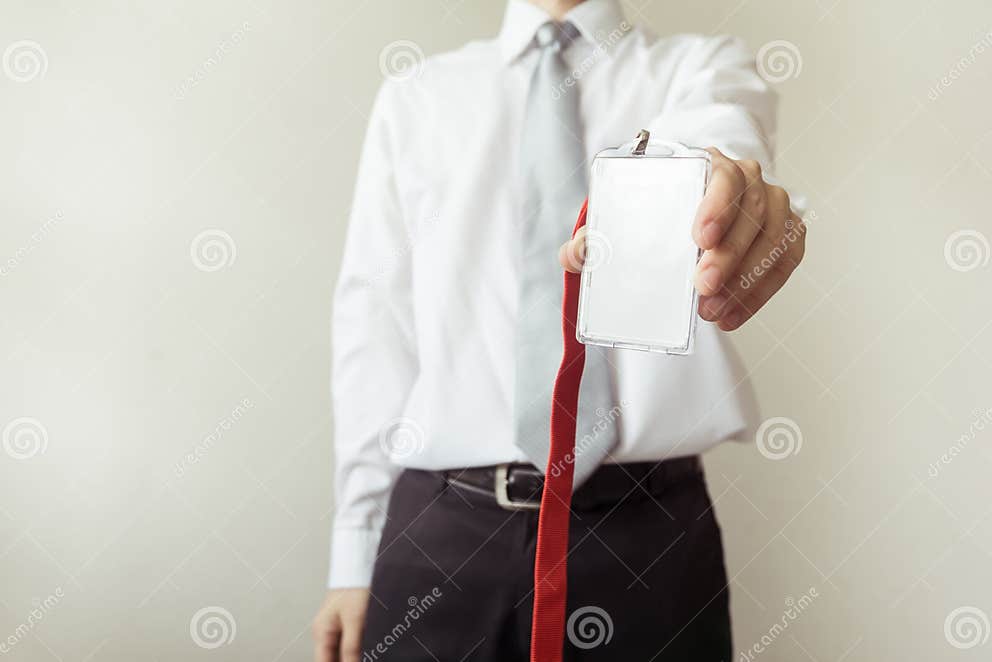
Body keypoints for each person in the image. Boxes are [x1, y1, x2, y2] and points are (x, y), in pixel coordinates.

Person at [312, 0, 807, 659]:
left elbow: (714, 141)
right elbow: (374, 326)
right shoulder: (417, 95)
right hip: (439, 538)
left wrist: (717, 184)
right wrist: (354, 550)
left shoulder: (700, 68)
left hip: (648, 538)